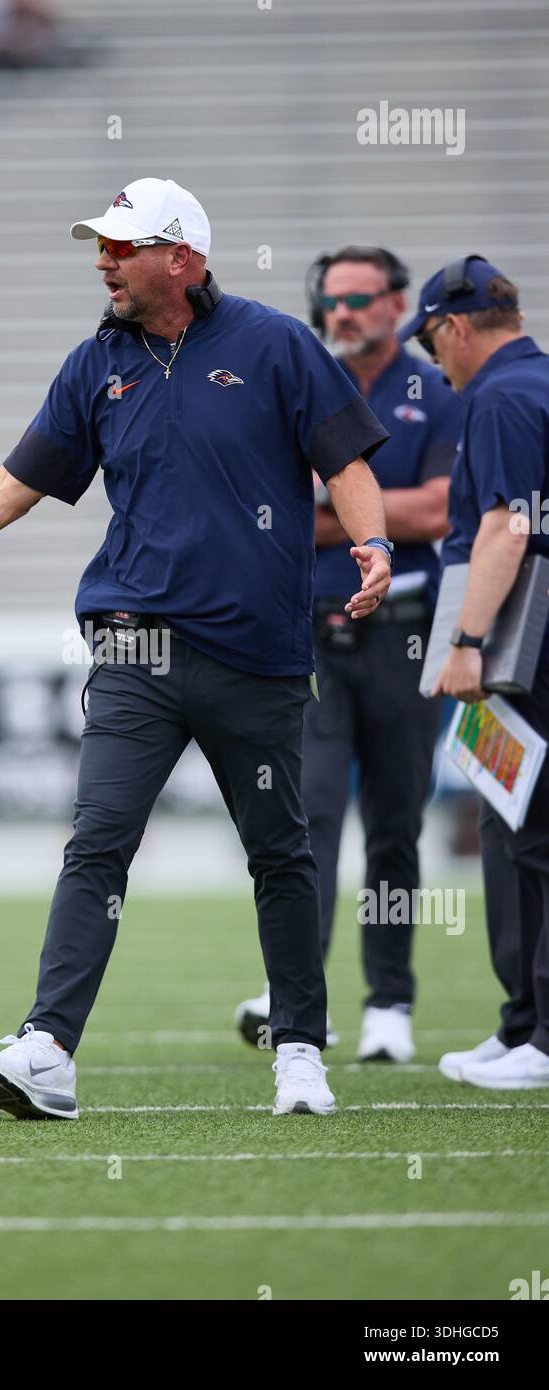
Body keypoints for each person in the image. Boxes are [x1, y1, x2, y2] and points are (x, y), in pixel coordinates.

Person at [0, 177, 392, 1117]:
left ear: (182, 258)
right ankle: (48, 1050)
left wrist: (374, 541)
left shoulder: (276, 343)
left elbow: (344, 460)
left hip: (259, 656)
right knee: (97, 846)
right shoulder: (93, 365)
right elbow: (12, 486)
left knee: (282, 855)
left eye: (122, 245)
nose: (103, 259)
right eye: (100, 245)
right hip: (135, 652)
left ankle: (300, 1051)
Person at [236, 247, 462, 1063]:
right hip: (316, 631)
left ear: (397, 303)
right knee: (309, 817)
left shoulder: (434, 390)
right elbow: (273, 508)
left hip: (404, 630)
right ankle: (300, 997)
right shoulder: (302, 385)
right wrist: (362, 514)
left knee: (396, 823)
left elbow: (439, 509)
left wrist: (340, 514)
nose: (345, 313)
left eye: (362, 298)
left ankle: (390, 1003)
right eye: (333, 300)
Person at [401, 254, 549, 1089]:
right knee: (508, 823)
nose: (436, 365)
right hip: (525, 625)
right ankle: (523, 1020)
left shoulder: (498, 397)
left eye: (432, 344)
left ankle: (544, 1035)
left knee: (534, 834)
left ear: (455, 328)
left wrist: (464, 641)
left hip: (525, 636)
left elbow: (507, 529)